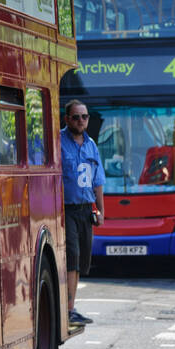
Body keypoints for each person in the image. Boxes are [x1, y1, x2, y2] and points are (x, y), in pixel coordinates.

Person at [60, 100, 103, 326]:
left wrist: (101, 211)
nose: (80, 121)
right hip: (66, 209)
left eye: (84, 117)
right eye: (76, 117)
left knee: (82, 260)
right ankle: (67, 309)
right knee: (72, 257)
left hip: (86, 210)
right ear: (67, 119)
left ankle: (71, 307)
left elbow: (98, 182)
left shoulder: (91, 145)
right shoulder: (57, 141)